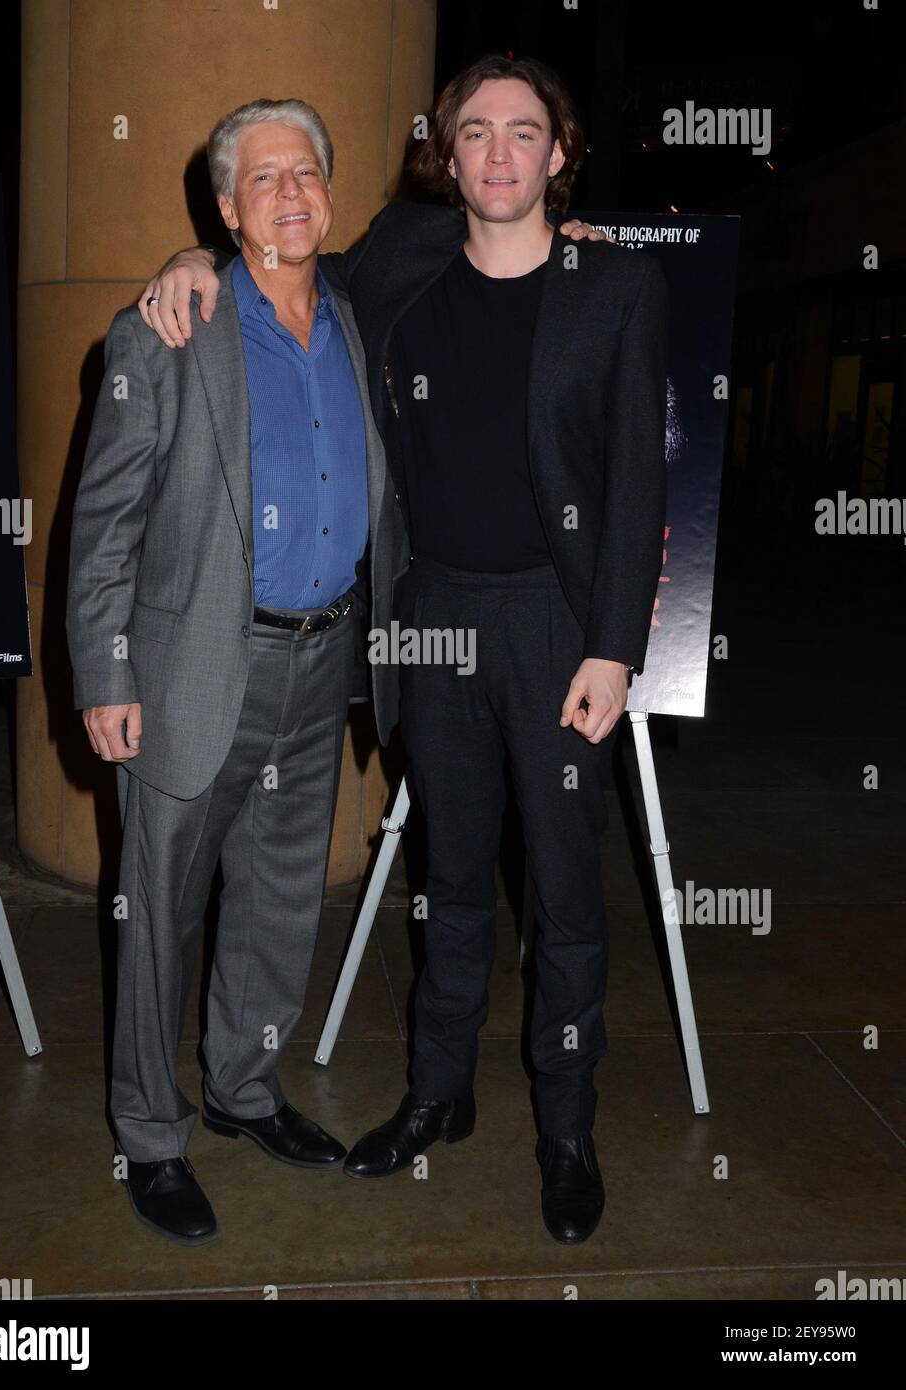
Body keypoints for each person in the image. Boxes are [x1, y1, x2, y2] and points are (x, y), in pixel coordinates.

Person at [138, 54, 667, 1245]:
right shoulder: (403, 258)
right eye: (472, 132)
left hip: (558, 629)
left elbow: (637, 479)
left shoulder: (615, 286)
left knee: (569, 898)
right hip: (429, 617)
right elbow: (272, 262)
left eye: (521, 134)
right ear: (447, 153)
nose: (494, 154)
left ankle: (568, 1128)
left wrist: (612, 645)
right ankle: (437, 1094)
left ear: (558, 154)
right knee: (450, 879)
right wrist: (185, 262)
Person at [66, 98, 412, 1245]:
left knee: (274, 904)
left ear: (330, 188)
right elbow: (102, 519)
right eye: (262, 179)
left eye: (306, 171)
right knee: (158, 911)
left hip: (320, 668)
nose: (290, 193)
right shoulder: (165, 329)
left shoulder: (358, 322)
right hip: (190, 667)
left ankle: (244, 1090)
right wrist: (104, 671)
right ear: (223, 208)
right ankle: (148, 1132)